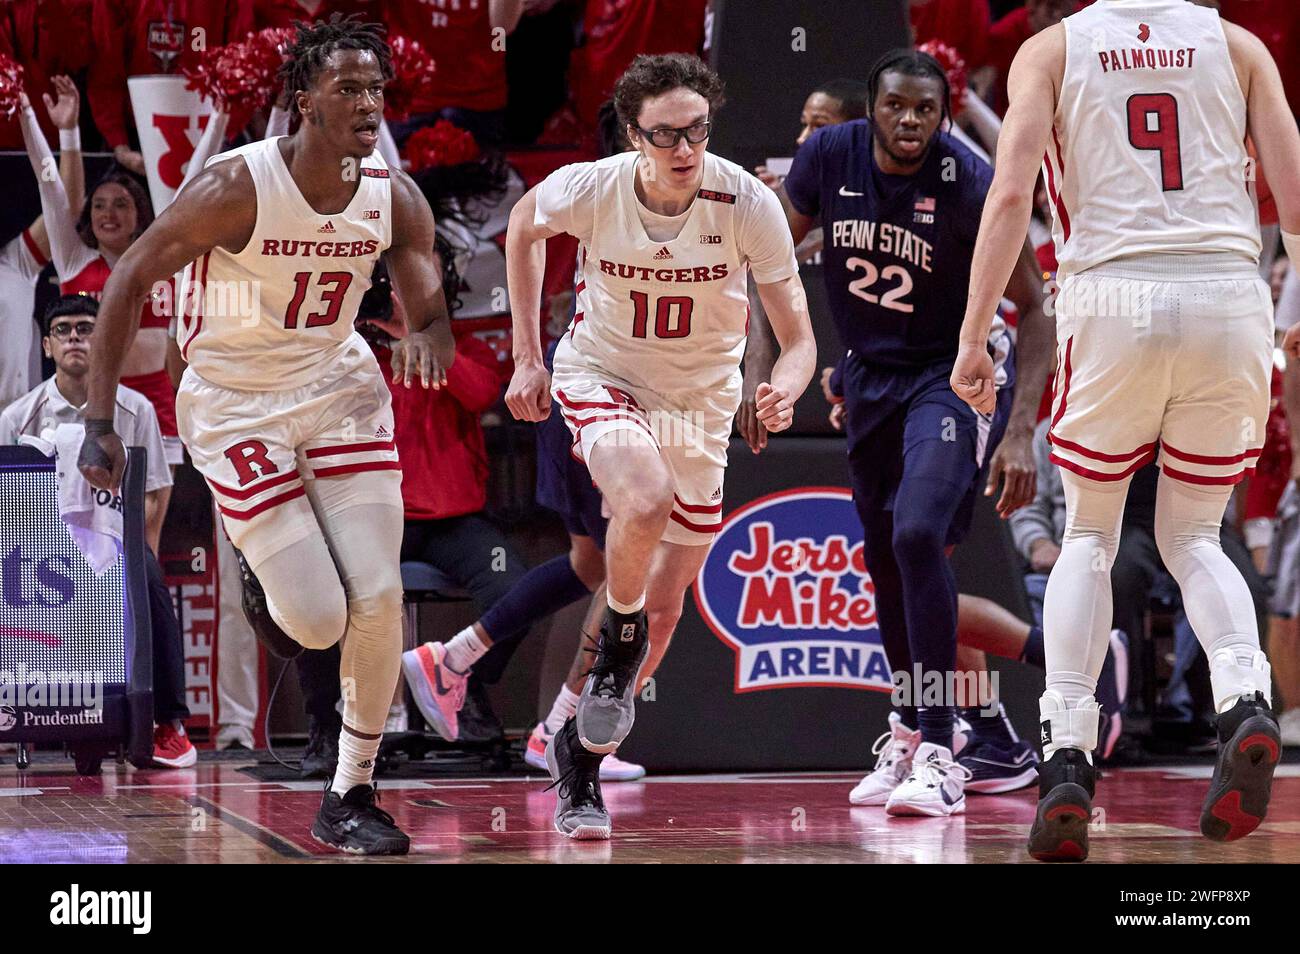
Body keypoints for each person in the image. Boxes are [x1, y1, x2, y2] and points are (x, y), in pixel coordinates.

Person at [77, 15, 456, 856]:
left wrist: (432, 334)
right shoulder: (235, 187)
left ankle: (351, 791)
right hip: (237, 400)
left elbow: (429, 309)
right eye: (349, 89)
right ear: (304, 102)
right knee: (318, 620)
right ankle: (265, 567)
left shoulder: (392, 193)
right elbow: (128, 284)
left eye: (376, 90)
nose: (368, 104)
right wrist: (99, 423)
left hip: (338, 391)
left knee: (379, 597)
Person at [954, 0, 1300, 861]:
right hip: (1227, 290)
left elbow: (1008, 196)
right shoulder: (1240, 42)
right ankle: (1246, 701)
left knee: (1091, 534)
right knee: (1193, 535)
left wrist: (972, 338)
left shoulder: (1054, 46)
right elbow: (1296, 198)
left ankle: (1067, 756)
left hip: (1112, 294)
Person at [504, 52, 816, 839]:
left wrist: (784, 385)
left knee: (670, 601)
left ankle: (577, 760)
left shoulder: (747, 202)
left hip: (701, 403)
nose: (685, 149)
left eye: (698, 131)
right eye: (666, 135)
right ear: (632, 134)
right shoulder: (593, 186)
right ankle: (620, 643)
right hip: (603, 373)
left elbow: (800, 338)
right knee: (642, 498)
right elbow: (522, 226)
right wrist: (527, 354)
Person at [782, 48, 1054, 817]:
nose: (911, 121)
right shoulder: (830, 153)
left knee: (917, 536)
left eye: (926, 110)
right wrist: (767, 365)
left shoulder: (967, 180)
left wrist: (1019, 431)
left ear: (942, 115)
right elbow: (765, 257)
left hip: (952, 375)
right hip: (870, 377)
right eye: (897, 106)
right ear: (873, 107)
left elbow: (1036, 311)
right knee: (884, 565)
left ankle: (943, 744)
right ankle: (907, 728)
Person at [0, 295, 194, 768]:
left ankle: (169, 722)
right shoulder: (16, 417)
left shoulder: (135, 409)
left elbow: (154, 491)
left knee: (150, 584)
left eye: (86, 328)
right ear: (46, 345)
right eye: (63, 330)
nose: (74, 338)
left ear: (104, 340)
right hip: (39, 549)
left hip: (114, 541)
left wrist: (136, 548)